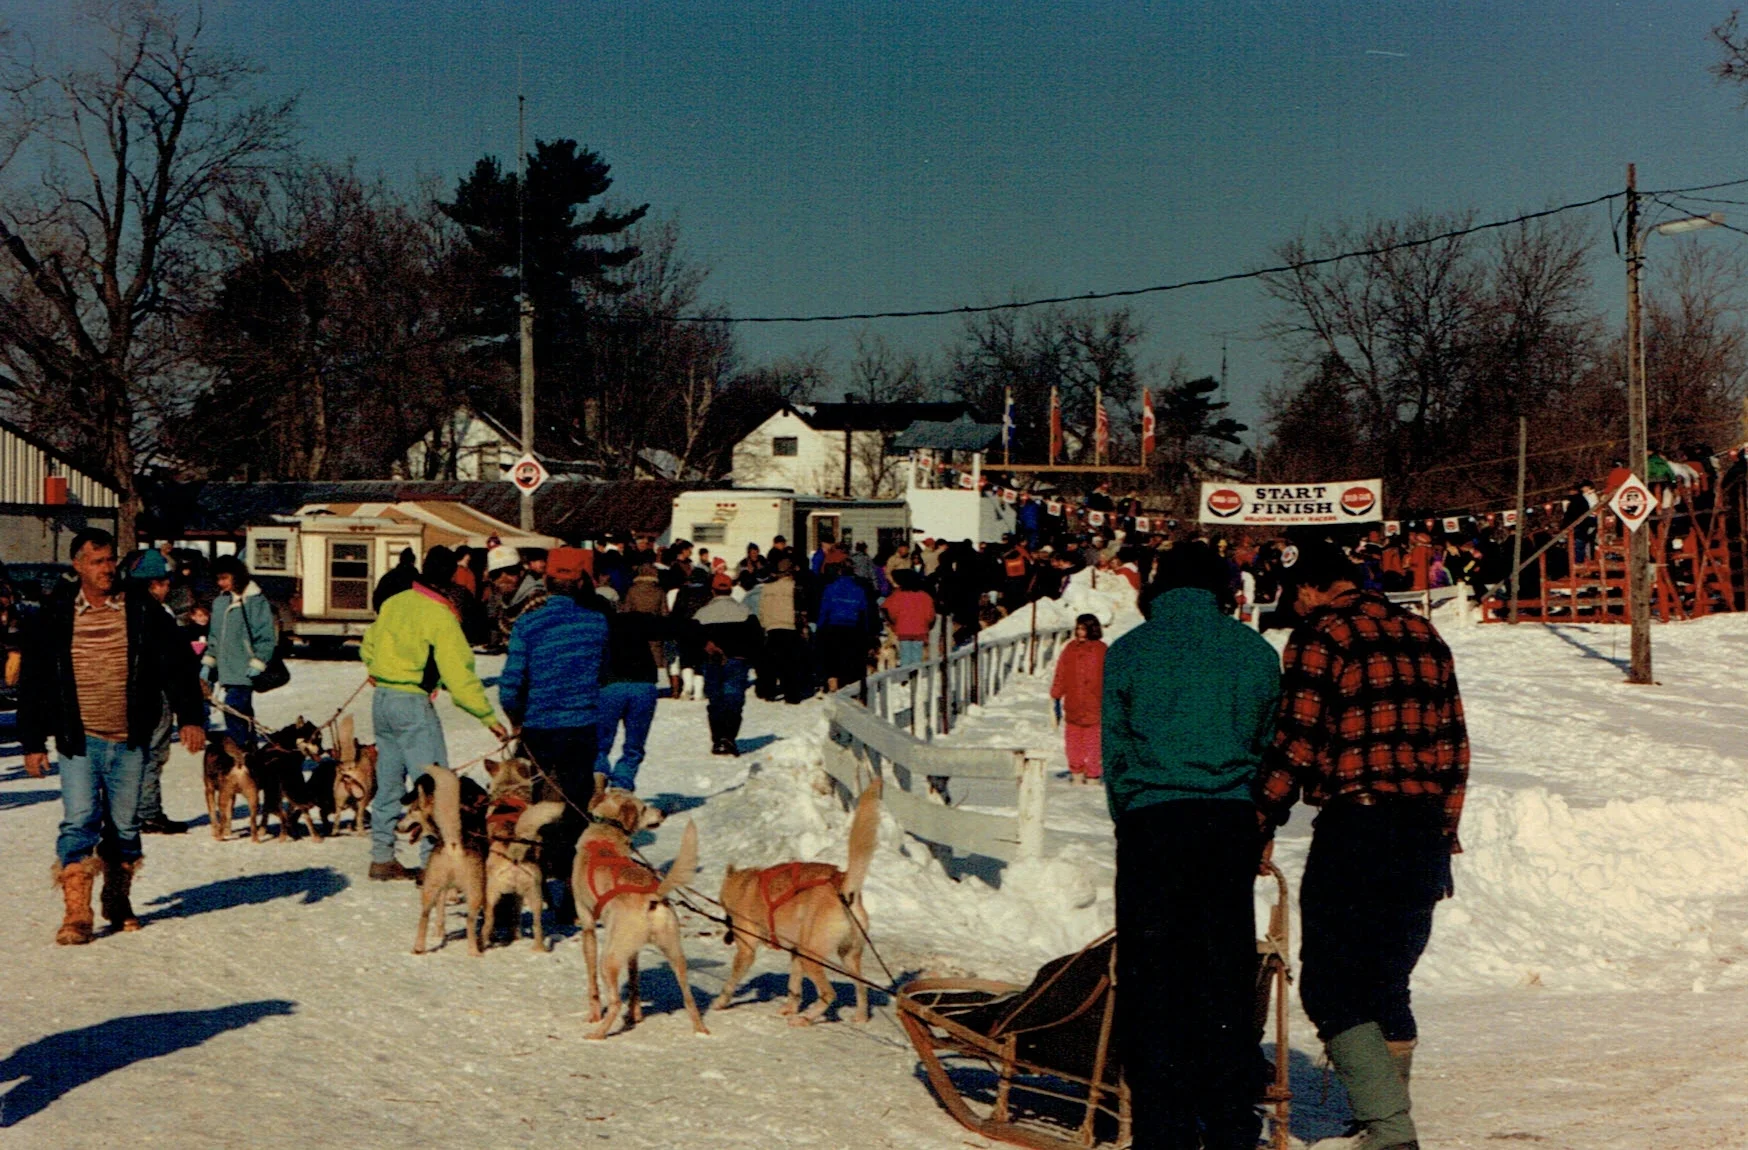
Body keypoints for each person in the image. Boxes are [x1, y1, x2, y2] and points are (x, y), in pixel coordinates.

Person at [1256, 538, 1468, 1150]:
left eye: (1293, 594)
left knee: (1329, 986)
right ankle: (1377, 1119)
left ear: (1310, 587)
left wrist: (1258, 818)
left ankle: (1389, 1127)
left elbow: (1297, 738)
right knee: (1386, 981)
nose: (1293, 605)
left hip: (1359, 828)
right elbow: (1454, 749)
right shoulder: (1424, 634)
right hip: (1423, 829)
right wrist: (1444, 834)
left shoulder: (1322, 634)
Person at [1101, 541, 1282, 1148]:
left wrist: (1129, 815)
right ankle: (1231, 1120)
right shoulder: (1254, 652)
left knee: (1153, 975)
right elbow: (1264, 746)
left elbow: (1117, 752)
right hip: (1226, 821)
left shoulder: (1128, 650)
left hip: (1153, 822)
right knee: (1223, 973)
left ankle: (1164, 1125)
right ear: (1222, 591)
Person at [19, 529, 207, 944]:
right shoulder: (56, 613)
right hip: (79, 740)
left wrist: (191, 716)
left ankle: (117, 900)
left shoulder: (140, 609)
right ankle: (77, 913)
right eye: (98, 562)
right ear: (78, 566)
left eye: (110, 561)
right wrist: (32, 743)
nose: (107, 569)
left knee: (124, 826)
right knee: (79, 821)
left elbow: (177, 665)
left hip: (131, 739)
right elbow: (33, 681)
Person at [360, 547, 507, 881]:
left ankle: (382, 857)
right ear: (453, 577)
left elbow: (367, 645)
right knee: (436, 784)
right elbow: (459, 673)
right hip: (412, 702)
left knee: (388, 782)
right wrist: (487, 717)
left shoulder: (394, 602)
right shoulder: (441, 614)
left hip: (382, 699)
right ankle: (431, 863)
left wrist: (375, 669)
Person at [499, 547, 608, 896]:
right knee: (574, 804)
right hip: (581, 726)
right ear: (581, 581)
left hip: (538, 728)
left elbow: (510, 685)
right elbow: (603, 673)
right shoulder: (597, 623)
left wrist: (516, 717)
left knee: (532, 805)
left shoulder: (528, 624)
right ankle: (564, 880)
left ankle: (525, 874)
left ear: (546, 579)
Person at [130, 550, 187, 834]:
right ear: (154, 584)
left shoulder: (120, 610)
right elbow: (173, 661)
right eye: (165, 583)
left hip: (128, 695)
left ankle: (130, 810)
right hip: (156, 693)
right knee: (153, 753)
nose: (168, 589)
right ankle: (149, 812)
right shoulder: (159, 614)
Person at [202, 555, 278, 749]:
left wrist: (258, 661)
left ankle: (240, 751)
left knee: (233, 709)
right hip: (227, 670)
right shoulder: (220, 602)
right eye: (218, 579)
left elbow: (266, 636)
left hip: (245, 669)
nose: (221, 583)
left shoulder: (255, 601)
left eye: (225, 578)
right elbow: (214, 636)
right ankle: (250, 751)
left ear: (237, 575)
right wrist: (208, 662)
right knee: (243, 714)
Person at [690, 573, 762, 755]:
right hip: (738, 661)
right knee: (734, 699)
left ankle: (718, 739)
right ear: (730, 590)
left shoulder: (702, 613)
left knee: (716, 700)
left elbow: (691, 637)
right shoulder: (745, 611)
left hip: (711, 662)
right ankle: (729, 737)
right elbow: (757, 638)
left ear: (713, 591)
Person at [1050, 613, 1106, 785]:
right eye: (1078, 628)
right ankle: (1076, 771)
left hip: (1095, 704)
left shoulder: (1101, 650)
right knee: (1073, 743)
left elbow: (1110, 676)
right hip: (1074, 704)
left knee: (1093, 744)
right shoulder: (1070, 649)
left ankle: (1093, 774)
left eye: (1083, 628)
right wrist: (1056, 694)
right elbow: (1061, 673)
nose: (1080, 632)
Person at [756, 557, 810, 703]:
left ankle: (769, 692)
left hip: (771, 627)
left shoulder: (767, 588)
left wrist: (764, 625)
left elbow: (761, 609)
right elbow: (799, 610)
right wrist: (803, 627)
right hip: (789, 627)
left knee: (771, 662)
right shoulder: (794, 587)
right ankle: (791, 695)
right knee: (790, 663)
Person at [815, 561, 875, 691]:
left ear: (839, 572)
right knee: (850, 660)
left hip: (833, 627)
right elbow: (864, 612)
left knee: (832, 659)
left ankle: (833, 684)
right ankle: (851, 688)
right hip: (852, 629)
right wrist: (866, 631)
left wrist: (820, 628)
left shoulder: (830, 588)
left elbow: (824, 610)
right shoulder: (859, 590)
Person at [882, 569, 936, 667]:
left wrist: (894, 624)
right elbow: (930, 615)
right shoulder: (925, 596)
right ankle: (917, 676)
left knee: (905, 655)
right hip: (921, 630)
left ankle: (905, 677)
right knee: (918, 655)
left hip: (903, 630)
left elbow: (889, 611)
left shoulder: (897, 595)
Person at [372, 547, 419, 611]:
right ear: (413, 561)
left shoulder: (389, 576)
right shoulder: (417, 578)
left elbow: (378, 596)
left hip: (390, 613)